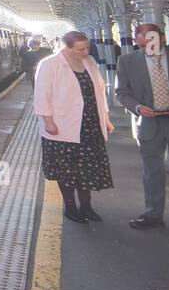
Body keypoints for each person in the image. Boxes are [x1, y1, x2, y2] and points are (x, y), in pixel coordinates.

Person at [116, 22, 169, 238]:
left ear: (162, 38)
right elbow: (122, 92)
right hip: (149, 123)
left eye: (151, 42)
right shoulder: (127, 61)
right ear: (137, 42)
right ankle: (153, 215)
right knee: (151, 172)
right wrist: (137, 108)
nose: (148, 48)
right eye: (142, 44)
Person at [35, 31, 115, 223]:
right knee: (67, 170)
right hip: (62, 126)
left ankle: (86, 207)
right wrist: (48, 121)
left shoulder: (89, 62)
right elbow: (41, 94)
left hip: (89, 125)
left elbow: (99, 91)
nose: (86, 51)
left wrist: (105, 118)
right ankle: (70, 207)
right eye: (81, 48)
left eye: (87, 47)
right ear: (66, 47)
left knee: (88, 169)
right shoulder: (49, 64)